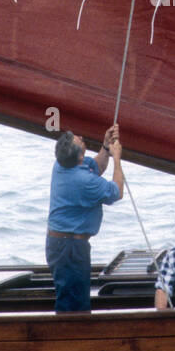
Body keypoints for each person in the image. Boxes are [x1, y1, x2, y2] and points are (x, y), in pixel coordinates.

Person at [46, 124, 124, 312]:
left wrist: (106, 147)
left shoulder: (62, 164)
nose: (81, 137)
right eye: (79, 140)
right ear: (80, 156)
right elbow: (117, 191)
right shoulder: (84, 181)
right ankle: (70, 337)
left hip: (63, 244)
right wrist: (117, 158)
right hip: (70, 247)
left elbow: (96, 166)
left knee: (73, 298)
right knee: (74, 305)